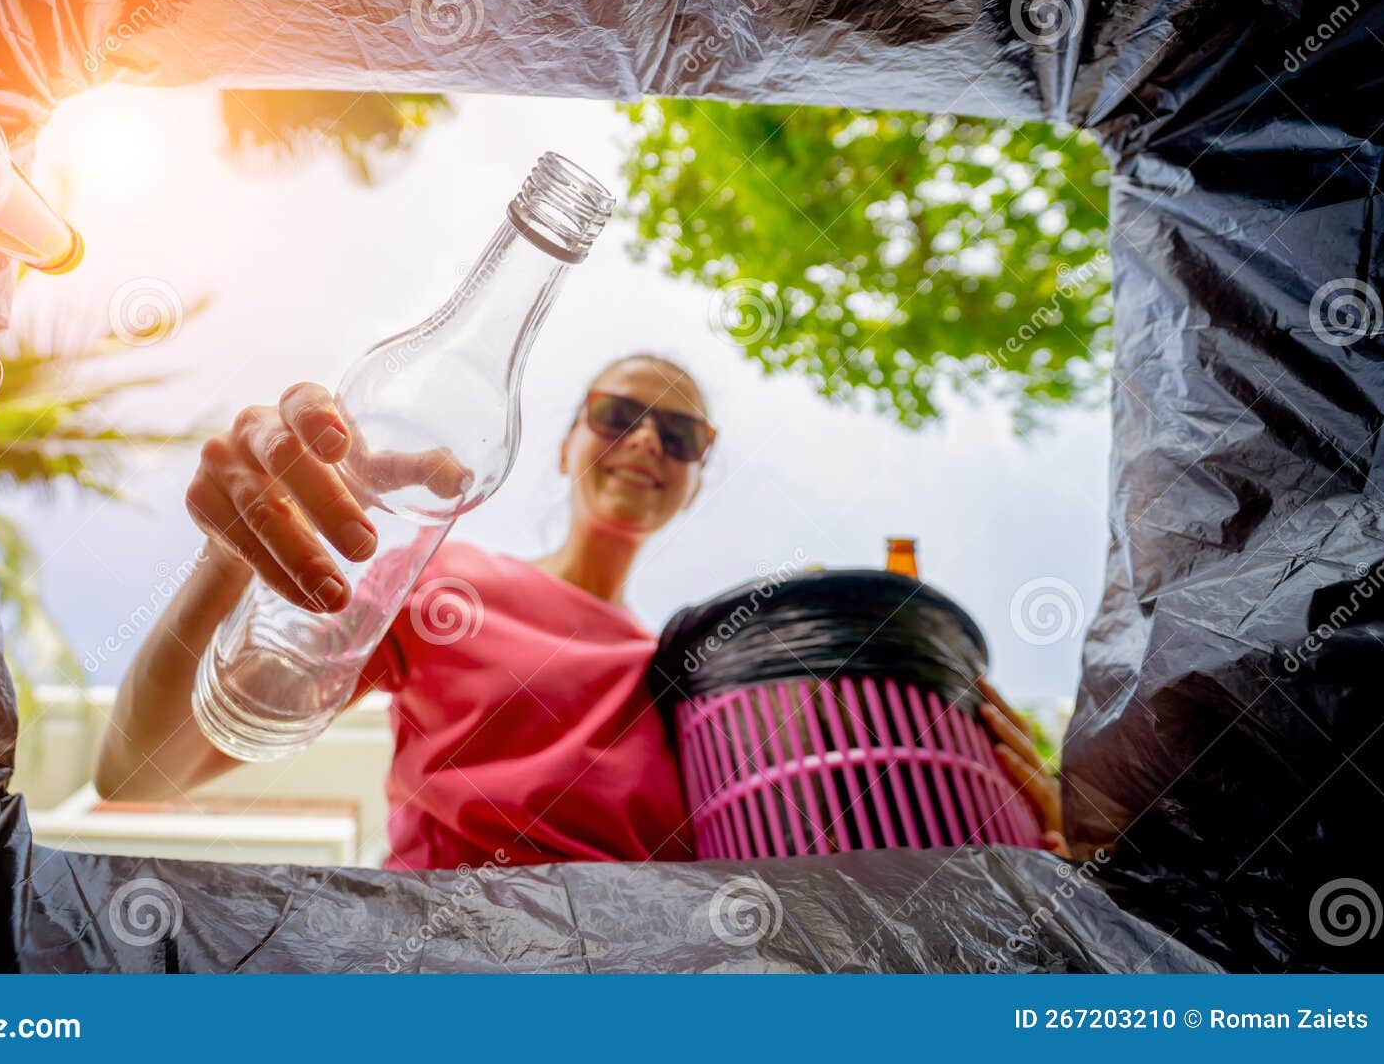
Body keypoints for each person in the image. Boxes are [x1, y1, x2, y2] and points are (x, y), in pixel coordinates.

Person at [94, 353, 1066, 868]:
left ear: (691, 476)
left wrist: (1036, 839)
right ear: (565, 441)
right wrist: (230, 558)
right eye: (618, 413)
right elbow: (142, 768)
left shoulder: (716, 692)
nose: (646, 438)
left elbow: (837, 866)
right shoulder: (444, 575)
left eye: (679, 433)